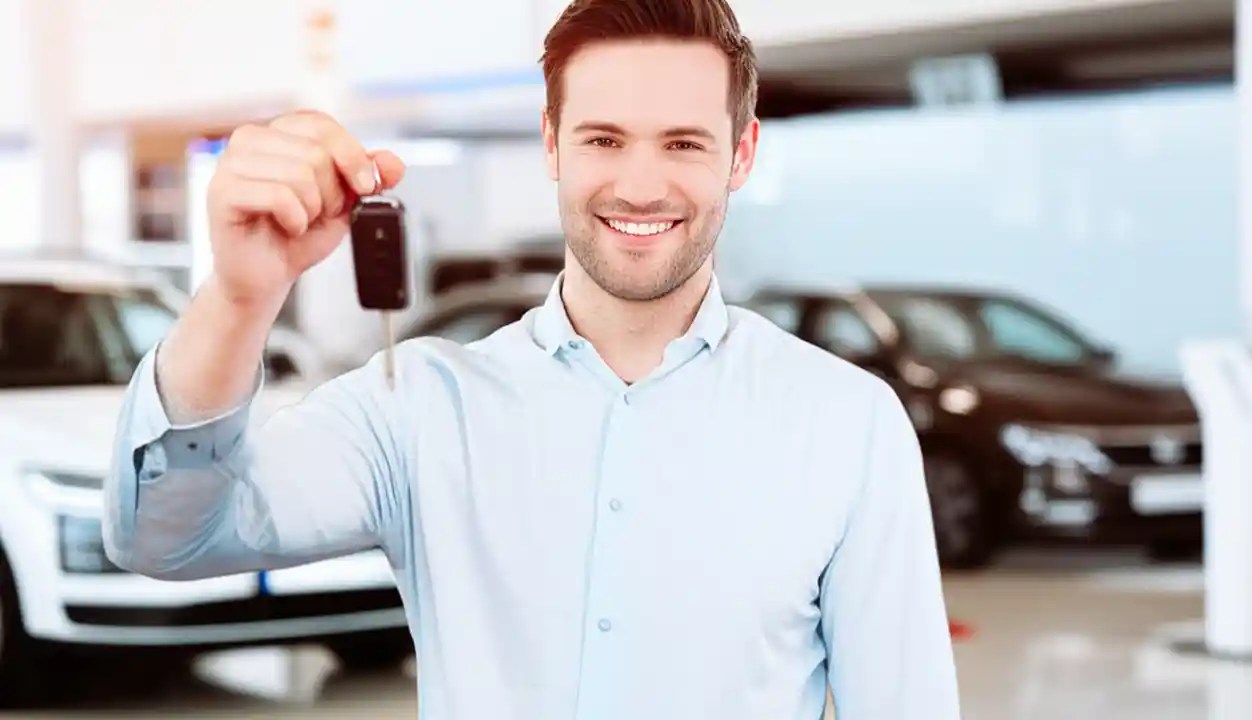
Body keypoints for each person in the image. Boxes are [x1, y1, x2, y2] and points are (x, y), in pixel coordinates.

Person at [103, 0, 961, 717]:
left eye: (683, 143)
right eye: (603, 139)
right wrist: (239, 298)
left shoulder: (848, 422)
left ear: (740, 154)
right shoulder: (421, 405)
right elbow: (165, 538)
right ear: (551, 144)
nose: (639, 183)